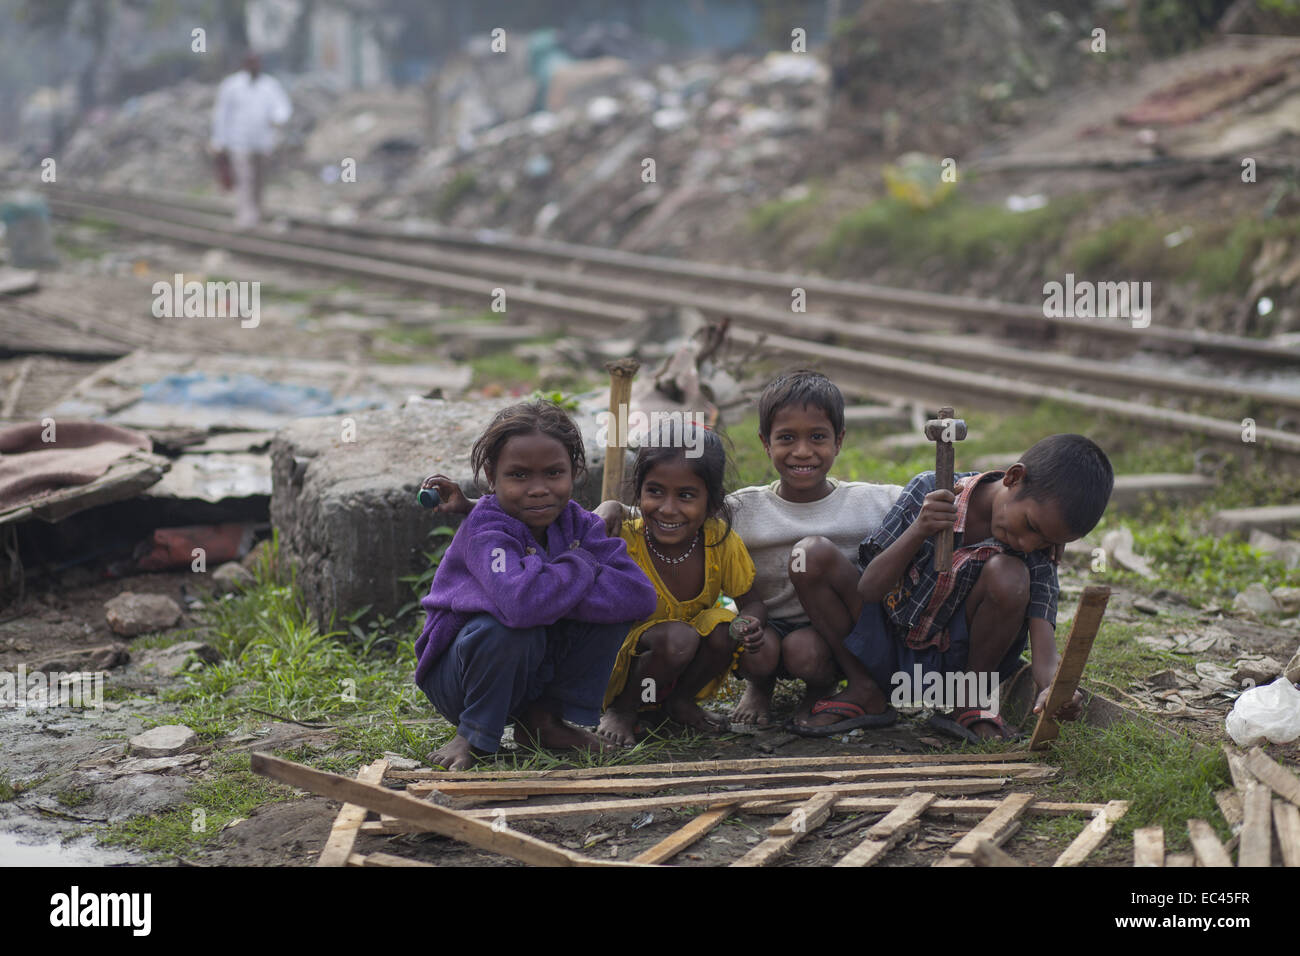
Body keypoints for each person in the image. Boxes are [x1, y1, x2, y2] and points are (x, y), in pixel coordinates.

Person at [796, 433, 1114, 740]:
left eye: (1048, 541)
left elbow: (1044, 651)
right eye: (1031, 526)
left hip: (951, 667)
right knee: (808, 556)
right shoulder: (931, 490)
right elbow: (868, 590)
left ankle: (969, 701)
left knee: (1009, 574)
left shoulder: (1038, 553)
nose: (1030, 543)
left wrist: (1053, 690)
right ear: (1014, 478)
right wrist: (919, 530)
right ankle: (864, 689)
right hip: (884, 639)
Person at [413, 401, 657, 771]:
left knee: (606, 614)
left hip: (532, 672)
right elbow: (522, 605)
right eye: (519, 476)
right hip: (460, 678)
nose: (539, 489)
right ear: (492, 478)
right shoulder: (487, 529)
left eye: (553, 473)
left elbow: (638, 596)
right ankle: (473, 732)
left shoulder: (579, 524)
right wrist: (582, 564)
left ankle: (544, 721)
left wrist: (547, 589)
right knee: (509, 629)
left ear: (574, 472)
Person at [594, 422, 766, 746]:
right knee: (678, 637)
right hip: (620, 667)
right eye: (655, 491)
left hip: (681, 659)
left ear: (712, 503)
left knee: (724, 625)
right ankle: (623, 709)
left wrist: (751, 622)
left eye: (686, 496)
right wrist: (608, 508)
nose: (668, 509)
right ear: (639, 490)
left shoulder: (719, 541)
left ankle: (680, 702)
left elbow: (751, 602)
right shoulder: (622, 538)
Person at [210, 53, 291, 228]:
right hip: (239, 142)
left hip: (264, 142)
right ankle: (246, 218)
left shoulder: (269, 86)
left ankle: (257, 213)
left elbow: (282, 108)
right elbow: (221, 115)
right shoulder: (231, 86)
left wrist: (278, 118)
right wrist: (219, 141)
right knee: (244, 179)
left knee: (259, 181)